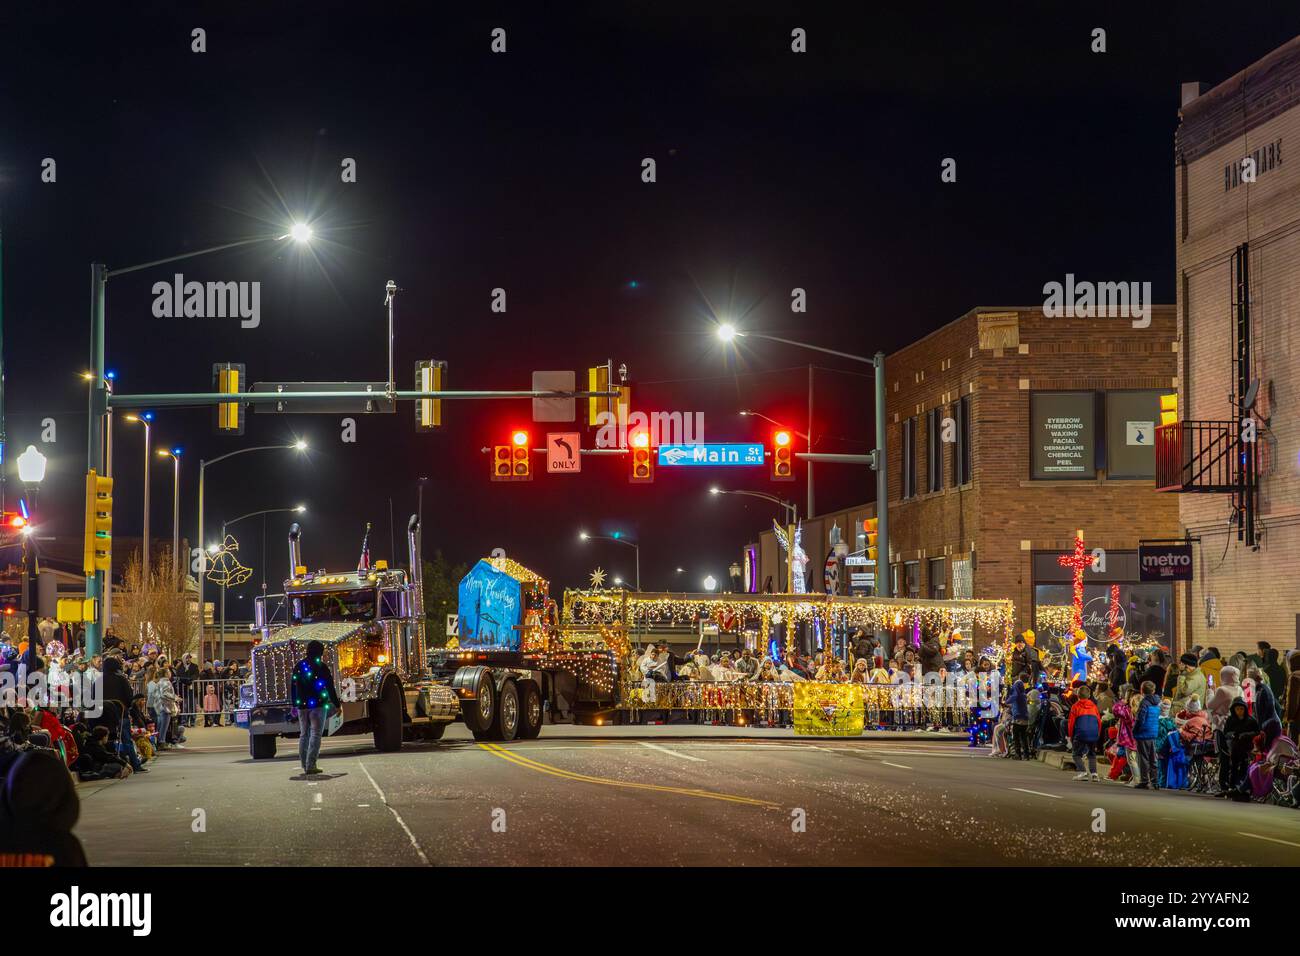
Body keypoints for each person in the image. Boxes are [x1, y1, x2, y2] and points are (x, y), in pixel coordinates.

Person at [291, 640, 340, 776]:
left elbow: (293, 685)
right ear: (320, 652)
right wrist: (337, 704)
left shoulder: (299, 666)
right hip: (318, 705)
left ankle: (304, 764)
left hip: (302, 705)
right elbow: (330, 686)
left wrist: (294, 704)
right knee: (315, 735)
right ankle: (311, 764)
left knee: (304, 734)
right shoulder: (321, 667)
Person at [1222, 698, 1260, 796]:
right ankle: (1233, 786)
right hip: (1234, 746)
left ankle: (1242, 786)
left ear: (1245, 709)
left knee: (1244, 764)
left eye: (1241, 709)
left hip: (1247, 746)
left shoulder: (1251, 720)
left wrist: (1246, 734)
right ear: (1234, 709)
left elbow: (1257, 732)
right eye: (1237, 709)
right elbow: (1226, 733)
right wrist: (1233, 734)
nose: (1239, 711)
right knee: (1234, 765)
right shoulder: (1230, 720)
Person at [1067, 684, 1101, 781]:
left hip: (1080, 733)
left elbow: (1071, 723)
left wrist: (1071, 736)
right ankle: (1094, 774)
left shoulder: (1075, 706)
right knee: (1092, 754)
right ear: (1089, 695)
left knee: (1076, 754)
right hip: (1094, 733)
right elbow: (1099, 721)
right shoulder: (1094, 706)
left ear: (1077, 696)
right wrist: (1097, 734)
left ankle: (1083, 772)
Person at [1130, 681, 1161, 789]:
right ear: (1153, 690)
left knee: (1143, 758)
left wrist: (1135, 730)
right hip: (1153, 733)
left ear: (1142, 691)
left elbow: (1140, 719)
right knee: (1153, 758)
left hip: (1143, 733)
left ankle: (1144, 780)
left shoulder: (1144, 703)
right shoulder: (1157, 702)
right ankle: (1155, 781)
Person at [1246, 665, 1283, 748]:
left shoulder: (1261, 692)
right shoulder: (1264, 688)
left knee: (1268, 752)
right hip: (1272, 725)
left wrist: (1259, 731)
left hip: (1269, 728)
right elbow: (1278, 708)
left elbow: (1260, 715)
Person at [1007, 671, 1030, 760]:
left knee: (1016, 736)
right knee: (1024, 737)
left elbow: (1014, 696)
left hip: (1018, 716)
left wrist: (1007, 701)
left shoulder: (1017, 685)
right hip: (1024, 716)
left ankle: (1018, 754)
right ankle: (1026, 755)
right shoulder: (1023, 693)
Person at [1285, 652, 1300, 741]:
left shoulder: (1294, 677)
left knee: (1293, 743)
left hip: (1297, 715)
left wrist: (1289, 717)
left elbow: (1293, 699)